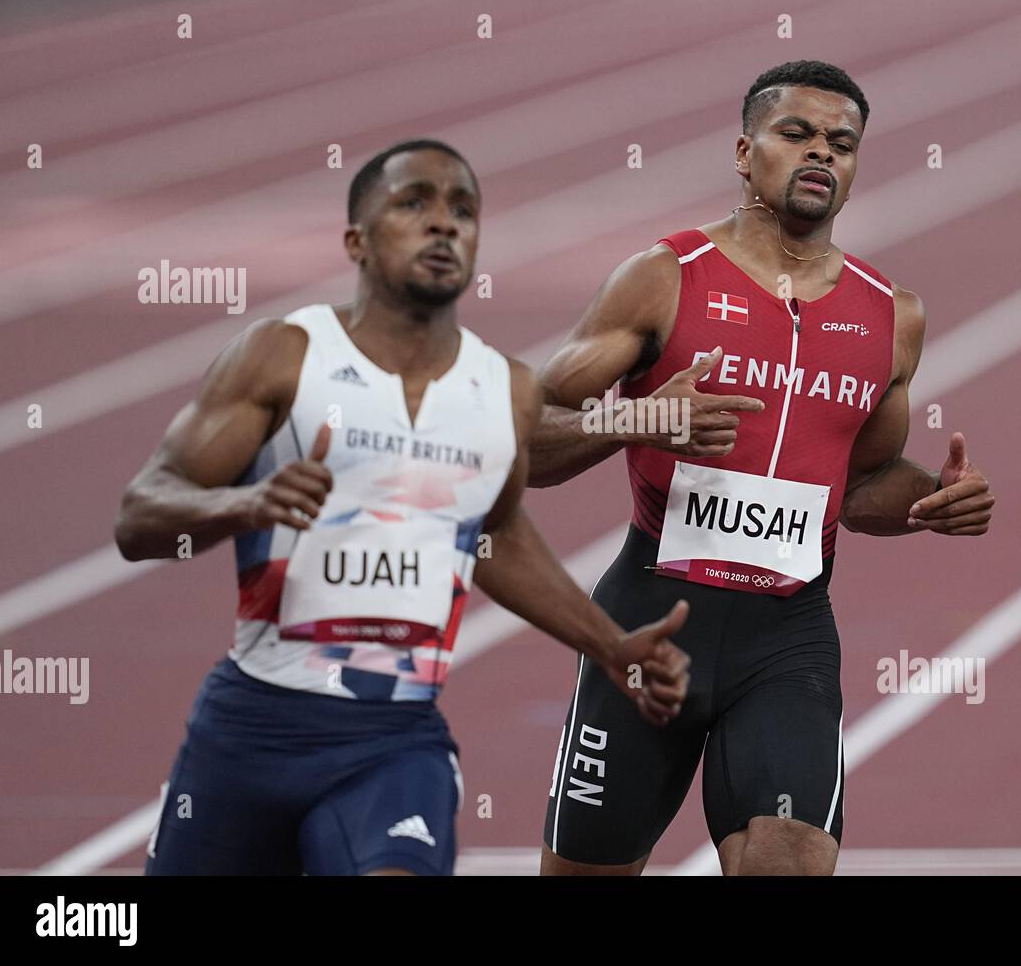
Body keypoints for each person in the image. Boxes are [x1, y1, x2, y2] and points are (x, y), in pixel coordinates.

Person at [114, 139, 690, 876]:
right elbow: (139, 515)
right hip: (251, 729)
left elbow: (498, 536)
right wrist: (245, 501)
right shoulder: (286, 355)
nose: (443, 224)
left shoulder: (503, 390)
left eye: (463, 210)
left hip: (392, 738)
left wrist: (610, 646)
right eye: (414, 202)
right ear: (357, 239)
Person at [530, 60, 996, 876]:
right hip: (651, 618)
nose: (822, 152)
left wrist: (930, 499)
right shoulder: (662, 280)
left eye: (842, 143)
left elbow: (863, 486)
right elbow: (527, 441)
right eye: (797, 133)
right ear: (745, 153)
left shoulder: (891, 316)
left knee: (791, 860)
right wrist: (635, 417)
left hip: (788, 635)